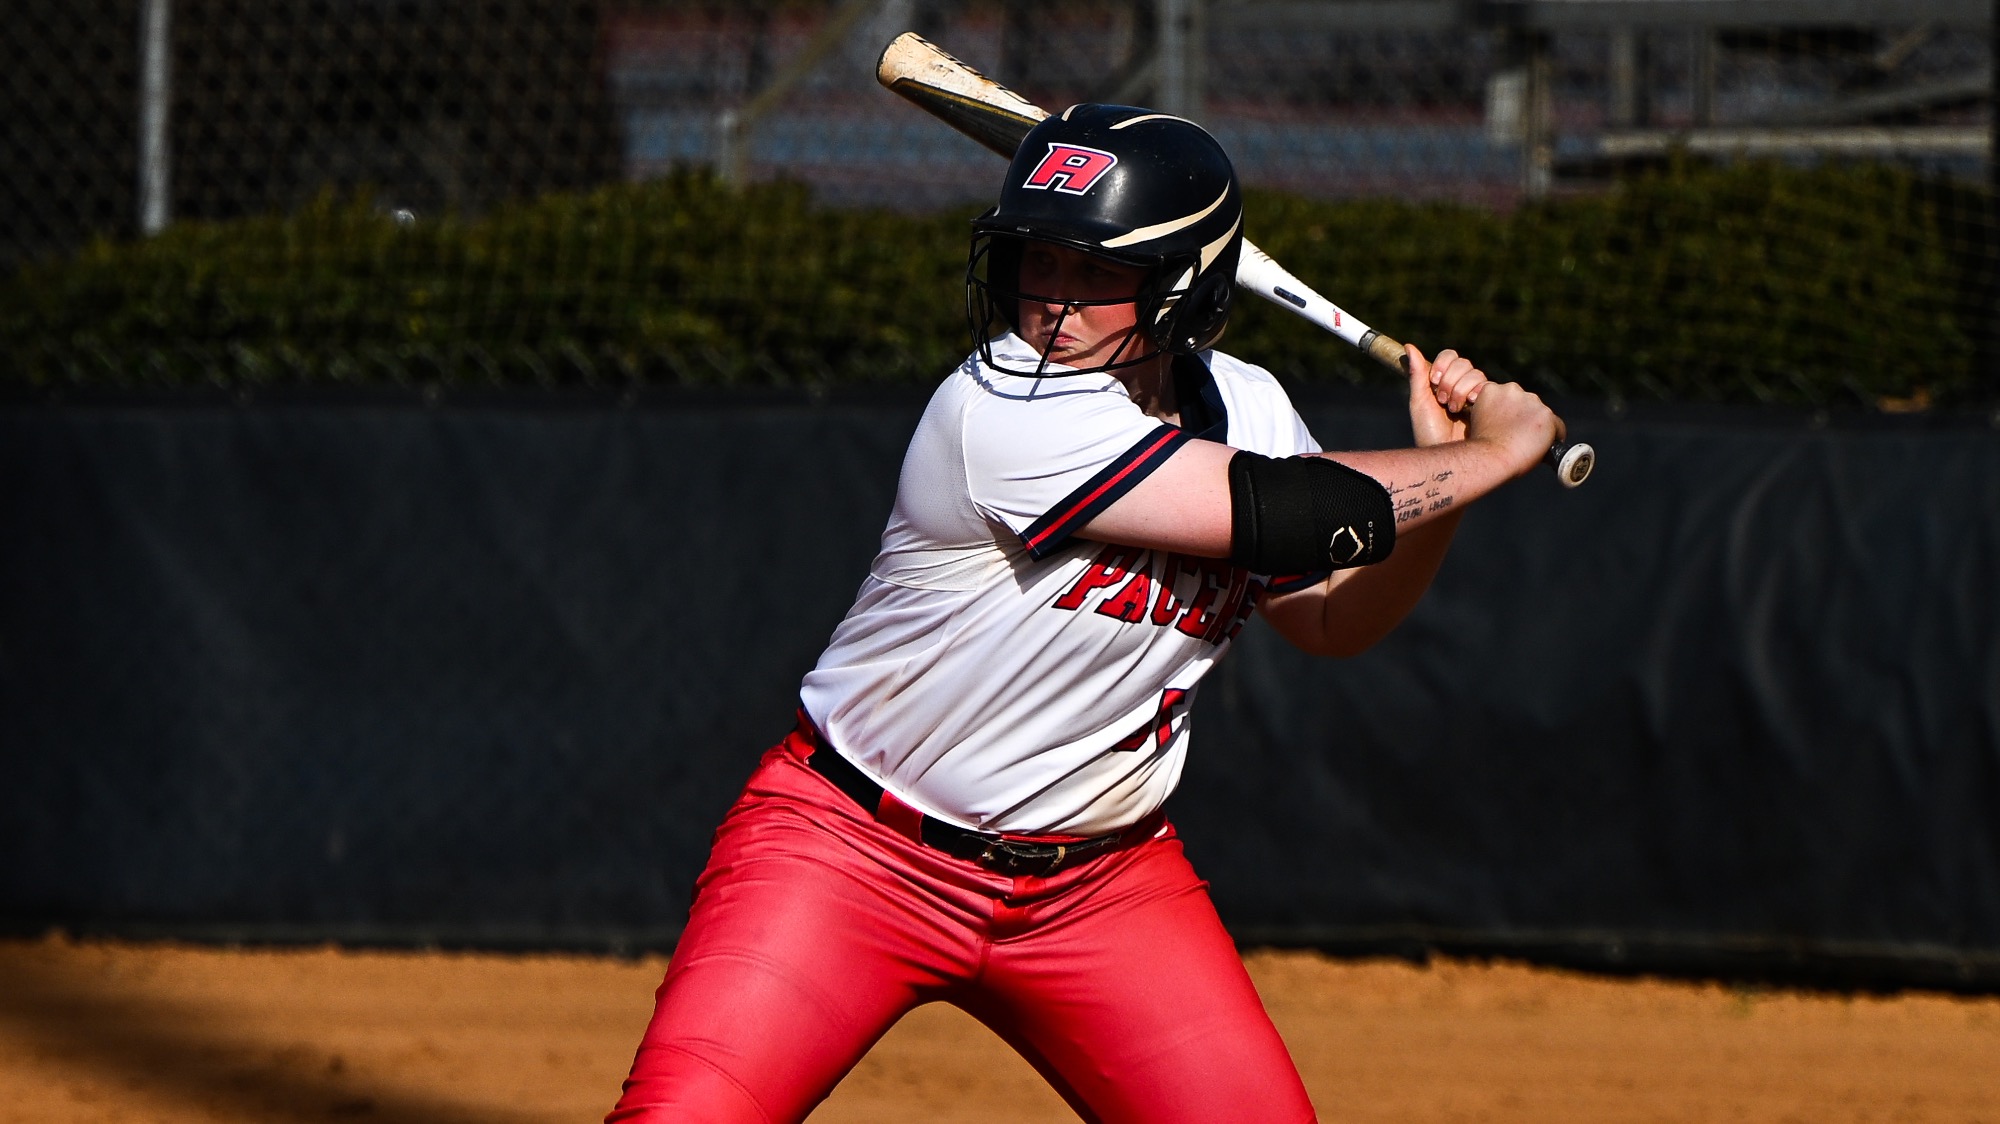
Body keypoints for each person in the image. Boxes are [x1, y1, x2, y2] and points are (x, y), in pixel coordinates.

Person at [606, 104, 1563, 1124]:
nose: (1048, 303)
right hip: (855, 852)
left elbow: (1334, 618)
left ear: (1184, 286)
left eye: (1093, 272)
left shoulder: (1247, 407)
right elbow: (1289, 514)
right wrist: (1491, 454)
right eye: (1035, 262)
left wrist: (1445, 488)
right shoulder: (1001, 407)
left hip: (1098, 884)